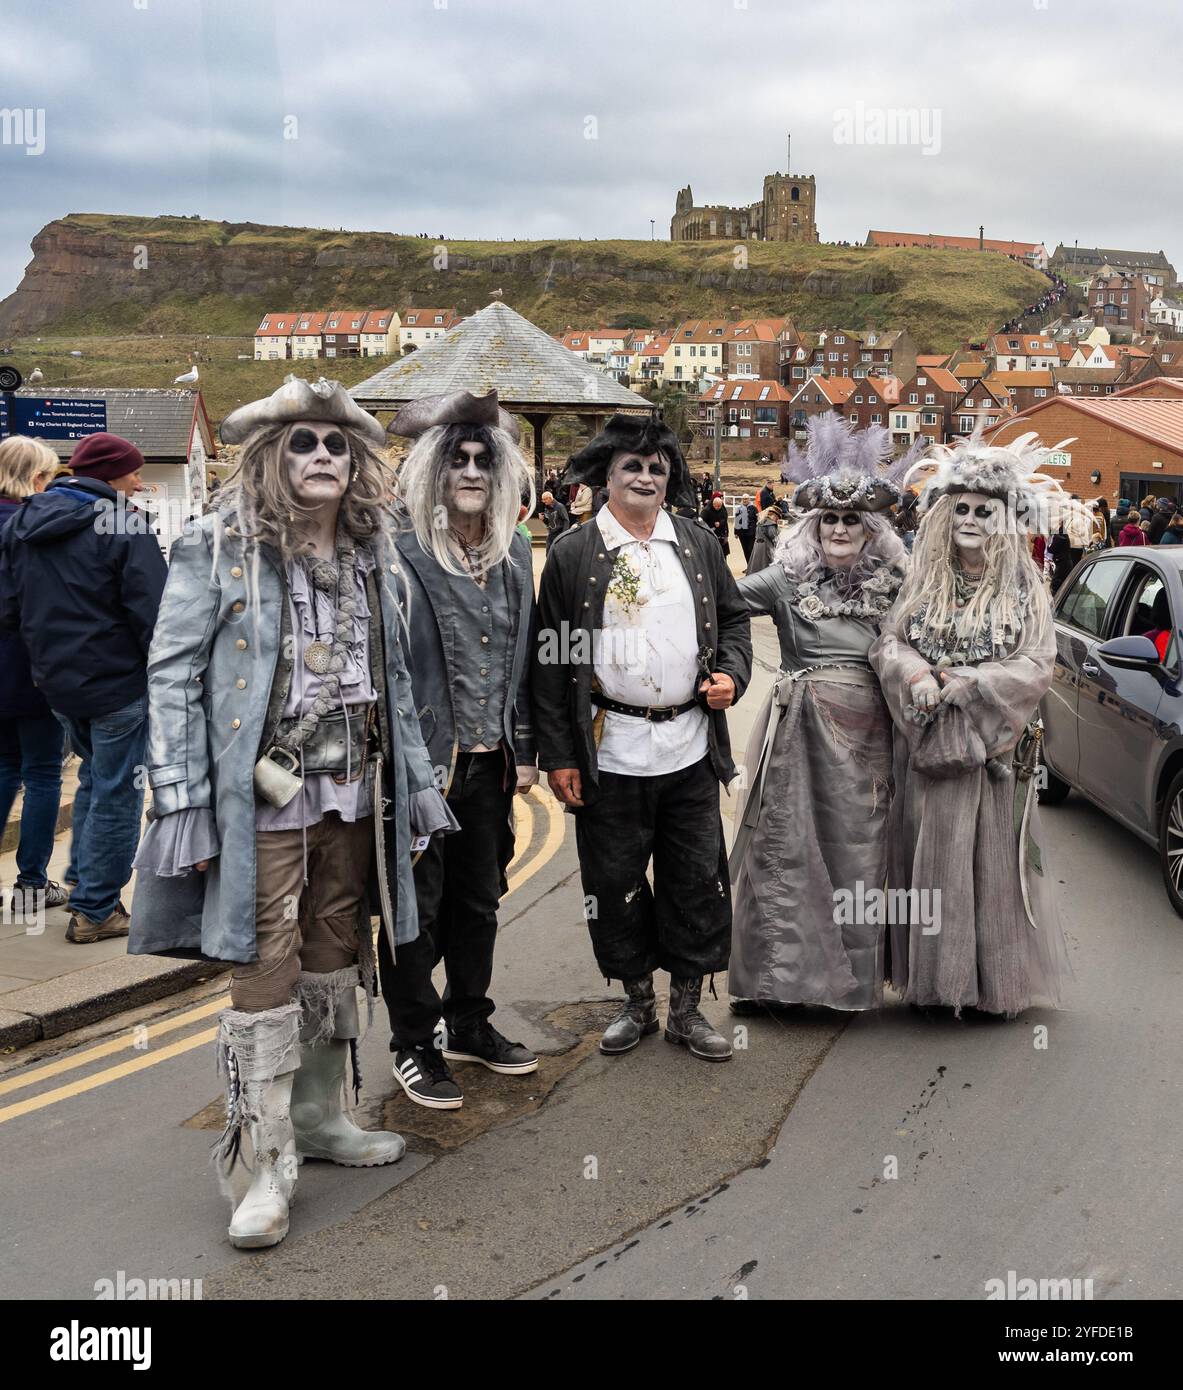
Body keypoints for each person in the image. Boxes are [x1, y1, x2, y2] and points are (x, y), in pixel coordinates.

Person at [128, 376, 454, 1249]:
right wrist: (185, 800)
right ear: (273, 458)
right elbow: (170, 675)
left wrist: (417, 785)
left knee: (335, 943)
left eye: (337, 445)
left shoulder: (376, 552)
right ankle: (262, 1161)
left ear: (358, 464)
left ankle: (317, 1120)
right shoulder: (217, 545)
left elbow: (398, 685)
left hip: (354, 787)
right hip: (261, 794)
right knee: (264, 958)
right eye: (303, 444)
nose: (322, 458)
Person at [533, 414, 752, 1062]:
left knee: (695, 882)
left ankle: (686, 1010)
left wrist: (732, 677)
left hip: (688, 748)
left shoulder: (696, 542)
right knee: (615, 885)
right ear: (606, 475)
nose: (645, 476)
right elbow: (549, 663)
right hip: (611, 752)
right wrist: (558, 757)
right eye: (632, 465)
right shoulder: (573, 553)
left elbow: (735, 623)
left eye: (657, 467)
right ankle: (636, 1002)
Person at [869, 431, 1082, 1017]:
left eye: (982, 510)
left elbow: (1038, 663)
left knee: (983, 866)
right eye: (959, 508)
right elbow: (888, 642)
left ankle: (983, 985)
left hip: (987, 758)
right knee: (929, 862)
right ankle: (932, 983)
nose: (969, 519)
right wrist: (915, 675)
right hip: (928, 750)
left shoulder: (1025, 589)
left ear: (1006, 518)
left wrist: (976, 684)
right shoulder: (923, 579)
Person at [379, 390, 539, 1109]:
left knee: (479, 903)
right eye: (457, 460)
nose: (471, 471)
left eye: (483, 459)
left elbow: (525, 660)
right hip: (418, 770)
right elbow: (385, 670)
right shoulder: (395, 549)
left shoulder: (516, 552)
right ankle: (413, 1043)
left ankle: (469, 1021)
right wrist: (406, 767)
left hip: (490, 765)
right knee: (414, 911)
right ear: (433, 472)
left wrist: (525, 746)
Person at [728, 418, 907, 1014]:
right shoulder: (785, 578)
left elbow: (926, 643)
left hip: (869, 743)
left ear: (870, 526)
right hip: (798, 735)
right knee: (785, 849)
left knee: (857, 853)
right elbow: (722, 603)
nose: (838, 528)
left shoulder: (897, 584)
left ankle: (846, 987)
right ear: (813, 525)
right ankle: (775, 983)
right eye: (828, 518)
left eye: (851, 518)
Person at [0, 431, 166, 944]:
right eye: (134, 471)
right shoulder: (123, 523)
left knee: (95, 779)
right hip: (118, 684)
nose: (140, 481)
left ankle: (82, 883)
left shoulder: (26, 521)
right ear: (111, 474)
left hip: (56, 682)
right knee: (118, 792)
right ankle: (96, 908)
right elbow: (156, 614)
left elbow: (9, 608)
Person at [0, 438, 68, 919]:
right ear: (37, 478)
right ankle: (31, 885)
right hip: (35, 665)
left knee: (3, 768)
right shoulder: (38, 527)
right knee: (42, 771)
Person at [747, 501, 782, 575]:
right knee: (765, 566)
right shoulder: (770, 524)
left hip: (757, 546)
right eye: (777, 517)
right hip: (766, 547)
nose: (777, 519)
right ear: (773, 515)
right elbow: (773, 536)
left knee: (756, 565)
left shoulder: (761, 522)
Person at [733, 494, 756, 566]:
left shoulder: (753, 508)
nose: (745, 500)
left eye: (746, 499)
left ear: (749, 499)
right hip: (742, 533)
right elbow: (737, 521)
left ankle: (752, 565)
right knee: (745, 550)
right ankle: (748, 566)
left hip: (751, 533)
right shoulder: (739, 509)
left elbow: (757, 520)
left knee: (751, 549)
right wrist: (736, 532)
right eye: (743, 499)